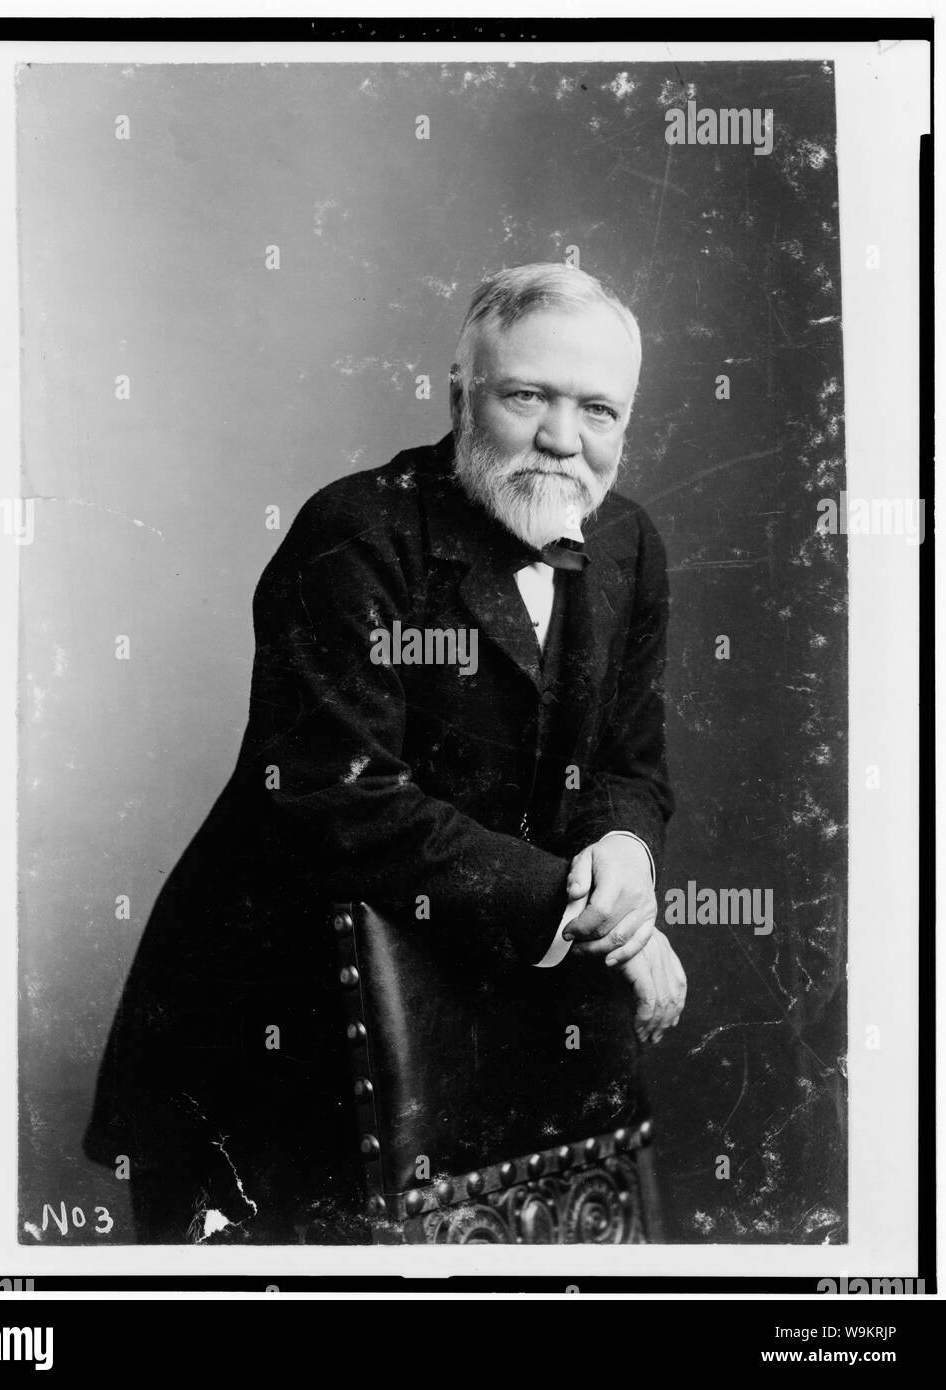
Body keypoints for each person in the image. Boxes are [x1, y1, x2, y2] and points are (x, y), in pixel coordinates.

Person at [84, 262, 687, 1243]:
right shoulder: (354, 530)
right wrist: (596, 922)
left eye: (599, 410)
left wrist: (626, 854)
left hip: (471, 996)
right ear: (461, 394)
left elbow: (627, 762)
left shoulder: (627, 543)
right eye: (527, 395)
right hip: (275, 1024)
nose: (563, 440)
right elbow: (342, 797)